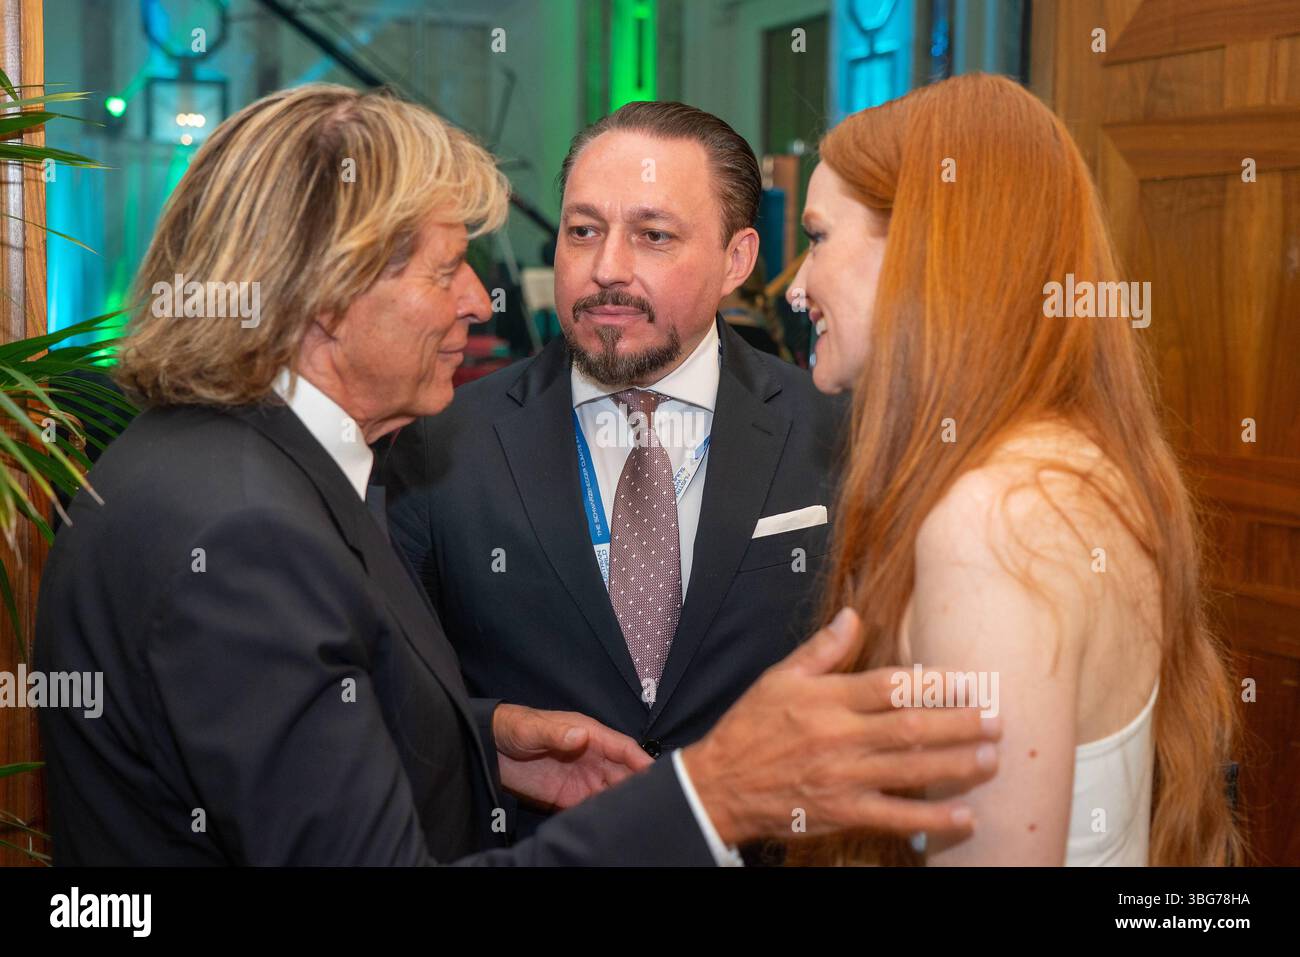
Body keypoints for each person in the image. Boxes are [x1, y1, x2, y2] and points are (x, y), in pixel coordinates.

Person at [33, 84, 1001, 866]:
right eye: (444, 269)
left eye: (653, 234)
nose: (473, 301)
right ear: (327, 292)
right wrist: (709, 796)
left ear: (733, 259)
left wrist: (480, 745)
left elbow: (309, 721)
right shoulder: (245, 531)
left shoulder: (218, 467)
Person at [784, 73, 1242, 866]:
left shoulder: (992, 519)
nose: (796, 286)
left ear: (927, 247)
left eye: (819, 238)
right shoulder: (1068, 469)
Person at [381, 101, 846, 843]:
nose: (606, 270)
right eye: (583, 231)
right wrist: (492, 732)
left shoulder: (835, 431)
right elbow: (387, 693)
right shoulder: (437, 446)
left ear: (737, 259)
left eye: (654, 235)